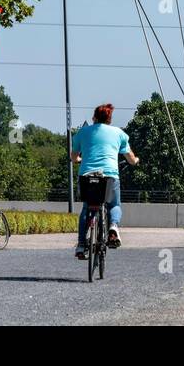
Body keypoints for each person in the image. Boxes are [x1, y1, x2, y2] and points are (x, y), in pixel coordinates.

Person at [71, 103, 139, 257]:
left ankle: (81, 244)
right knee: (114, 204)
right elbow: (130, 158)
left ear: (94, 117)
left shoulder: (83, 132)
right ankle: (113, 228)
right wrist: (136, 161)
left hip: (86, 176)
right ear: (110, 119)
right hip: (109, 176)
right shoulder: (119, 133)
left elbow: (73, 157)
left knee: (87, 207)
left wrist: (80, 159)